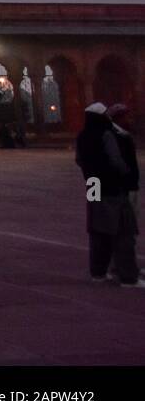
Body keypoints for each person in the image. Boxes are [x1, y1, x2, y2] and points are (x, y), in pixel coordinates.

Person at [76, 102, 141, 286]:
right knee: (121, 227)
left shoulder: (83, 136)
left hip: (93, 183)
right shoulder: (106, 134)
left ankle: (98, 272)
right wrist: (126, 173)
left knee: (97, 226)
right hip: (110, 184)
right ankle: (128, 276)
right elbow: (116, 161)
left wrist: (91, 172)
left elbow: (79, 160)